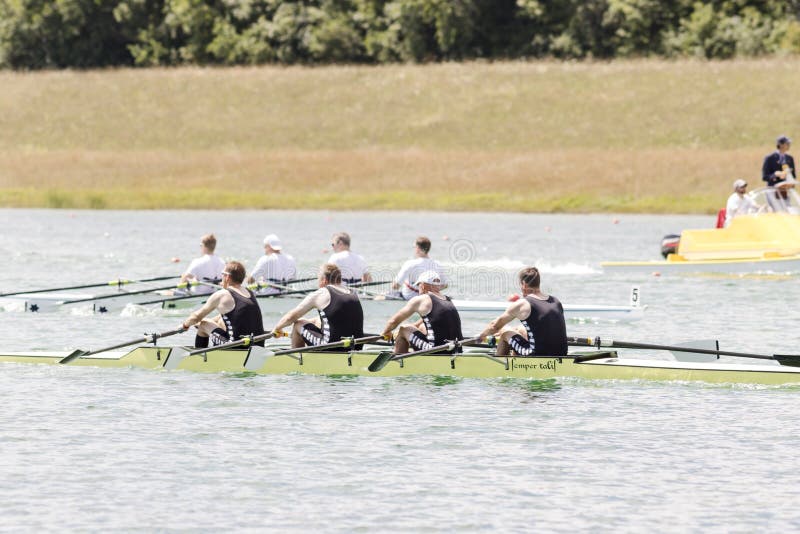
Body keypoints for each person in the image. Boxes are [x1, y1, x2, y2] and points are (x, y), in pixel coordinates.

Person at [478, 267, 567, 357]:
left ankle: (500, 368)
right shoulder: (555, 301)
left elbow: (494, 326)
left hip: (537, 354)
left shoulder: (523, 303)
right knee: (520, 329)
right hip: (562, 353)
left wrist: (481, 336)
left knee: (505, 333)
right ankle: (516, 363)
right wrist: (518, 330)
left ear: (524, 284)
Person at [272, 263, 364, 349]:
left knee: (298, 324)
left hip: (331, 346)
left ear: (324, 280)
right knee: (316, 321)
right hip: (356, 345)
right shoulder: (352, 293)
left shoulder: (322, 293)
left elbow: (291, 317)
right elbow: (328, 320)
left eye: (318, 279)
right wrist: (310, 322)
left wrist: (277, 328)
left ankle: (298, 362)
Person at [181, 261, 265, 348]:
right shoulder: (249, 292)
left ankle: (199, 358)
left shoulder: (222, 294)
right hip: (258, 346)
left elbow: (196, 317)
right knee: (221, 321)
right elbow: (231, 316)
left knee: (204, 325)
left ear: (227, 277)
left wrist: (184, 325)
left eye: (222, 274)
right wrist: (203, 322)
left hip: (235, 346)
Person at [381, 270, 463, 355]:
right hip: (457, 349)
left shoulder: (421, 299)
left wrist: (386, 332)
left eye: (418, 286)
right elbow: (426, 322)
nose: (418, 289)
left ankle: (399, 362)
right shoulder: (447, 299)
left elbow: (393, 321)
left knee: (404, 329)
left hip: (436, 350)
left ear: (423, 286)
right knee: (422, 327)